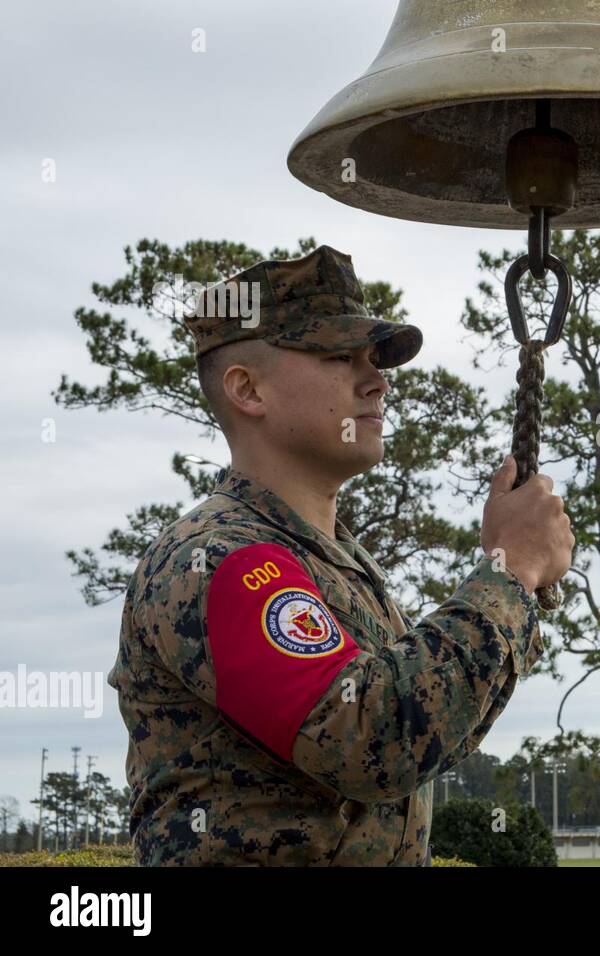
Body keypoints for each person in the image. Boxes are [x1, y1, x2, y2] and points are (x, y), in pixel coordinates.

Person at [107, 245, 574, 865]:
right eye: (338, 356)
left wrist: (514, 587)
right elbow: (367, 740)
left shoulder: (335, 564)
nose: (377, 380)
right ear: (248, 390)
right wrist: (508, 572)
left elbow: (429, 741)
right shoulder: (222, 561)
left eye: (375, 359)